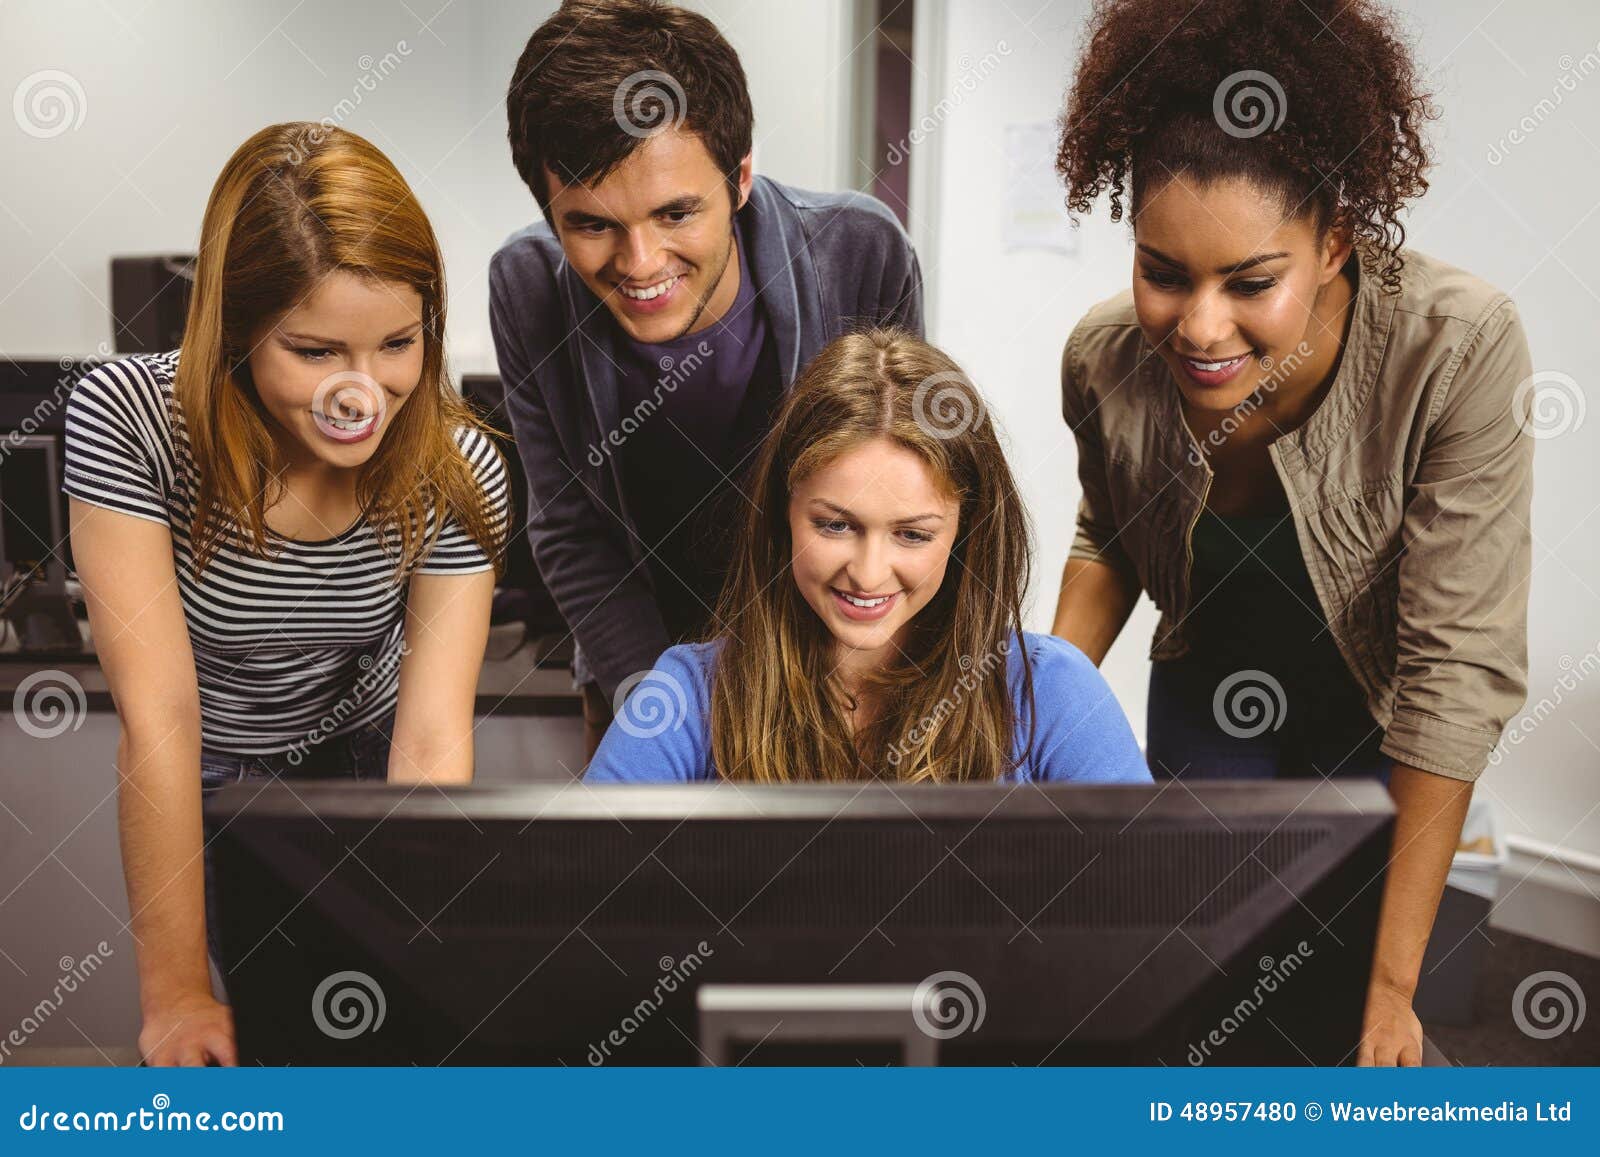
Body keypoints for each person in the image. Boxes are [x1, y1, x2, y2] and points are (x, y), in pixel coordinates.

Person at [1048, 0, 1533, 1065]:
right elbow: (1110, 530)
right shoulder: (1103, 356)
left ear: (1334, 238)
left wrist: (1395, 989)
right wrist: (1032, 706)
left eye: (1250, 281)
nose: (1201, 326)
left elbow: (1454, 670)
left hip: (1376, 722)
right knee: (1198, 1005)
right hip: (1209, 696)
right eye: (1163, 273)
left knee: (1359, 1030)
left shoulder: (1453, 347)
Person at [63, 122, 510, 1066]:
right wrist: (176, 994)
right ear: (235, 331)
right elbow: (162, 715)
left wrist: (423, 971)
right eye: (313, 351)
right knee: (260, 1033)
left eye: (397, 344)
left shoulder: (457, 464)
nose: (363, 395)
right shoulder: (128, 421)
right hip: (217, 769)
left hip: (367, 755)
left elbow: (430, 737)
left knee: (390, 1034)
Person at [491, 0, 923, 760]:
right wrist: (661, 713)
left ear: (742, 176)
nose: (641, 262)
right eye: (592, 225)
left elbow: (895, 502)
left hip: (827, 675)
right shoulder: (526, 286)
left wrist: (809, 696)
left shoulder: (863, 255)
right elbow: (569, 529)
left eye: (676, 213)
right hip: (636, 674)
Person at [586, 329, 1150, 785]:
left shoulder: (1052, 691)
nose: (868, 573)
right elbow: (574, 892)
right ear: (783, 514)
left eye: (912, 535)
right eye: (835, 525)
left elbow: (1149, 901)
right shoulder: (685, 696)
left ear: (966, 531)